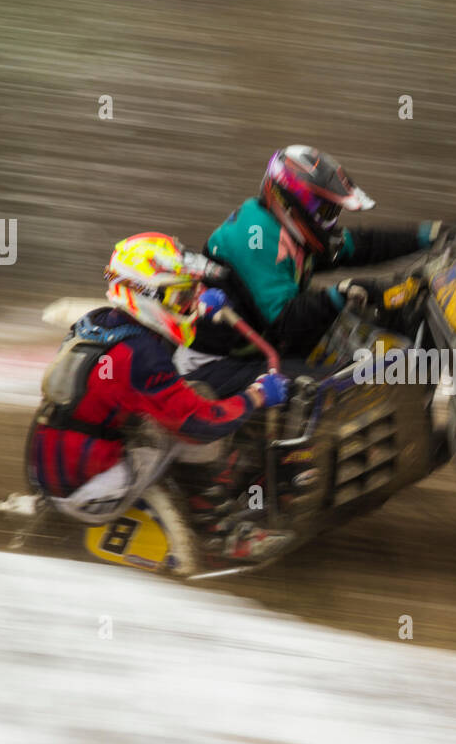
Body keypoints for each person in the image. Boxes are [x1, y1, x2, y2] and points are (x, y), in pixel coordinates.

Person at [26, 231, 293, 562]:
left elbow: (131, 374)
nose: (189, 304)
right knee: (198, 406)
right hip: (89, 493)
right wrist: (257, 396)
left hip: (49, 476)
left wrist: (196, 302)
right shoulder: (139, 354)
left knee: (160, 407)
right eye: (181, 296)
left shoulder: (94, 324)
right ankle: (217, 532)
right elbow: (201, 422)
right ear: (149, 295)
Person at [180, 144, 456, 396]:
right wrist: (341, 292)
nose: (331, 222)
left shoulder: (286, 229)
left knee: (378, 325)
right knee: (345, 387)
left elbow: (361, 246)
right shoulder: (255, 238)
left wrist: (427, 236)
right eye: (325, 213)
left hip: (259, 343)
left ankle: (434, 388)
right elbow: (285, 322)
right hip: (216, 366)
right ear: (289, 204)